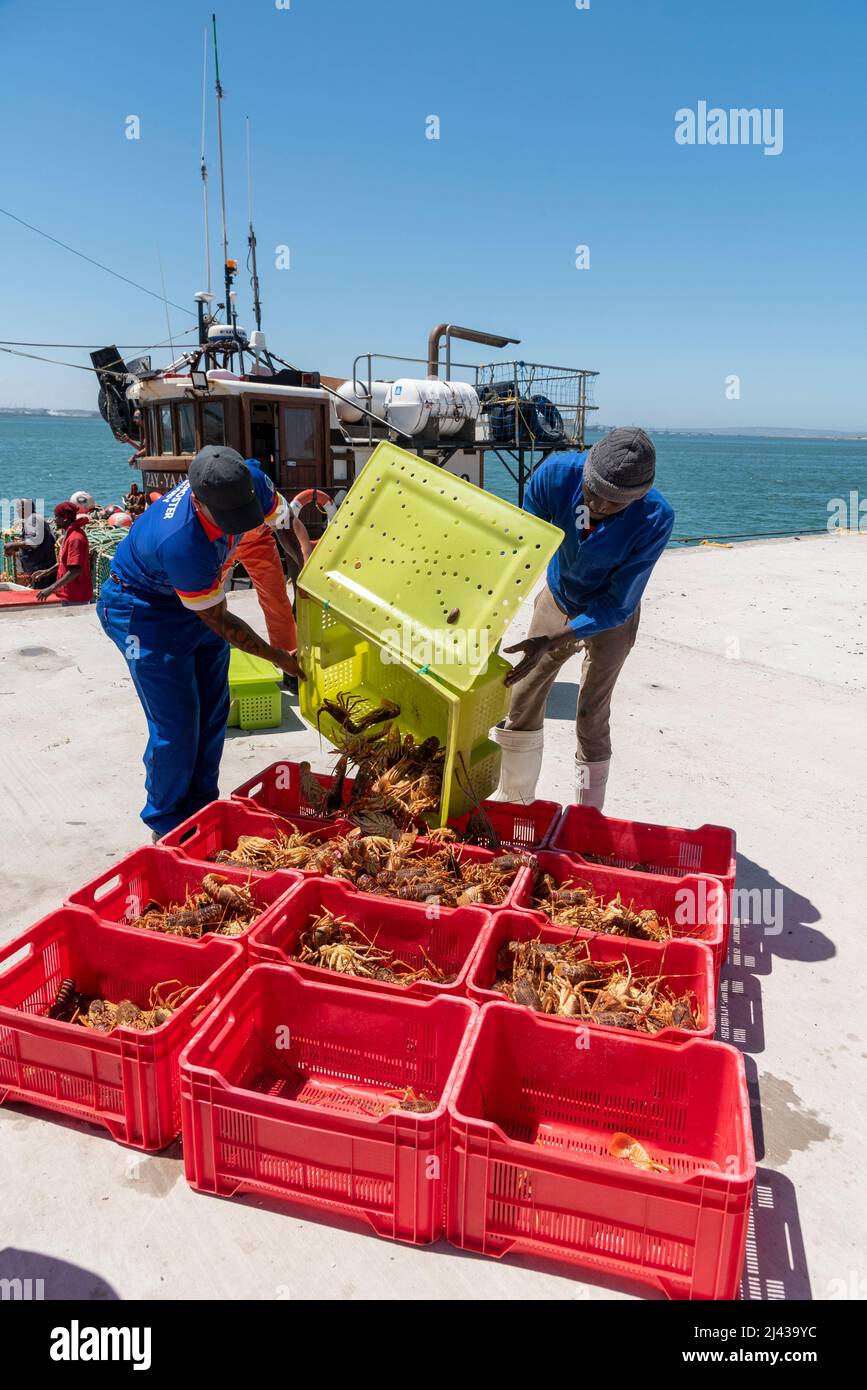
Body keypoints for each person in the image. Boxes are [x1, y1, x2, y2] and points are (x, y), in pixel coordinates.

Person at [97, 445, 303, 838]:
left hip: (197, 599)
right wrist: (281, 658)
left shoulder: (248, 481)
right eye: (226, 520)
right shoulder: (181, 540)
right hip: (144, 610)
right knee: (177, 724)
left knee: (213, 711)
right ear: (198, 500)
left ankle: (203, 806)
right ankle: (168, 824)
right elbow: (221, 621)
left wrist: (302, 578)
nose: (235, 527)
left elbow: (285, 523)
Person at [493, 428, 674, 811]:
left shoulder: (655, 519)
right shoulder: (554, 475)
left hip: (610, 614)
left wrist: (560, 637)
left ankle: (586, 816)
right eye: (593, 493)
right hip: (559, 594)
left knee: (592, 713)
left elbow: (618, 604)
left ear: (640, 496)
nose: (600, 505)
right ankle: (515, 803)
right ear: (586, 470)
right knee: (521, 697)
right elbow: (523, 548)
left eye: (614, 503)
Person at [33, 502, 93, 604]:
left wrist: (51, 588)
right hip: (68, 593)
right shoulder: (68, 534)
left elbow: (75, 570)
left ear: (65, 519)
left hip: (76, 595)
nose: (54, 519)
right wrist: (46, 571)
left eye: (56, 516)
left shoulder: (75, 538)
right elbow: (64, 562)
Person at [3, 500, 57, 588]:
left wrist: (12, 545)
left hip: (41, 570)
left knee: (40, 596)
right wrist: (17, 549)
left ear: (24, 509)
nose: (16, 511)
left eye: (18, 508)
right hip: (40, 569)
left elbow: (33, 542)